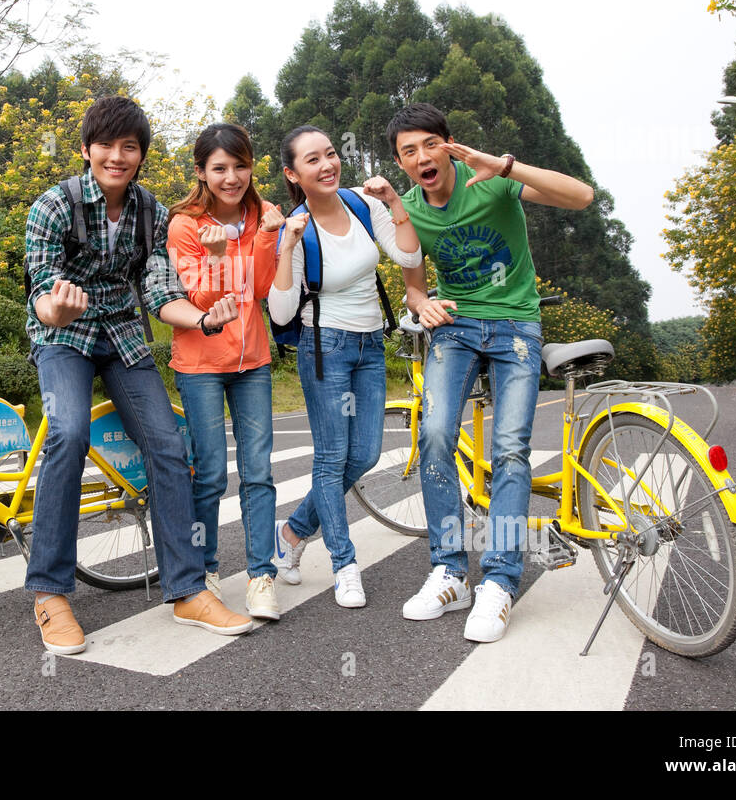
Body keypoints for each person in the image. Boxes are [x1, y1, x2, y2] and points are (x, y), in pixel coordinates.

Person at [24, 95, 254, 655]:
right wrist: (54, 308)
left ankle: (187, 589)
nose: (117, 156)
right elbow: (40, 286)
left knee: (170, 446)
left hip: (123, 337)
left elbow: (157, 289)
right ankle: (51, 593)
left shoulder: (151, 211)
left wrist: (200, 318)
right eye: (107, 145)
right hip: (64, 339)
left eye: (130, 147)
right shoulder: (52, 207)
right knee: (68, 432)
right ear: (86, 150)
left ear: (141, 156)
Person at [389, 102, 593, 643]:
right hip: (454, 329)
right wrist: (420, 305)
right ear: (401, 162)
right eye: (408, 151)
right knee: (433, 434)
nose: (421, 157)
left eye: (429, 145)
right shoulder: (409, 208)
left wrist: (505, 165)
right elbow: (413, 284)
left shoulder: (492, 182)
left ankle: (499, 581)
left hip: (516, 327)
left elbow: (582, 196)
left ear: (449, 145)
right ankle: (450, 571)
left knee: (509, 447)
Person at [267, 126, 423, 607]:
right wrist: (288, 246)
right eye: (312, 160)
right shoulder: (295, 226)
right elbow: (278, 310)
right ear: (294, 174)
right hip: (325, 346)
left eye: (331, 154)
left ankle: (291, 534)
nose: (327, 165)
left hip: (371, 342)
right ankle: (344, 563)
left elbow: (408, 253)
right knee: (333, 458)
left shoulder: (363, 205)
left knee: (366, 455)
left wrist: (396, 201)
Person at [167, 122, 285, 620]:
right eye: (220, 168)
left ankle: (262, 576)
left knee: (258, 472)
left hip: (253, 360)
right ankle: (206, 570)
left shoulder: (261, 213)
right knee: (210, 473)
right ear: (201, 172)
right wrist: (215, 256)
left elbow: (259, 289)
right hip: (199, 364)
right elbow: (201, 302)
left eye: (240, 165)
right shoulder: (185, 224)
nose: (232, 177)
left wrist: (268, 236)